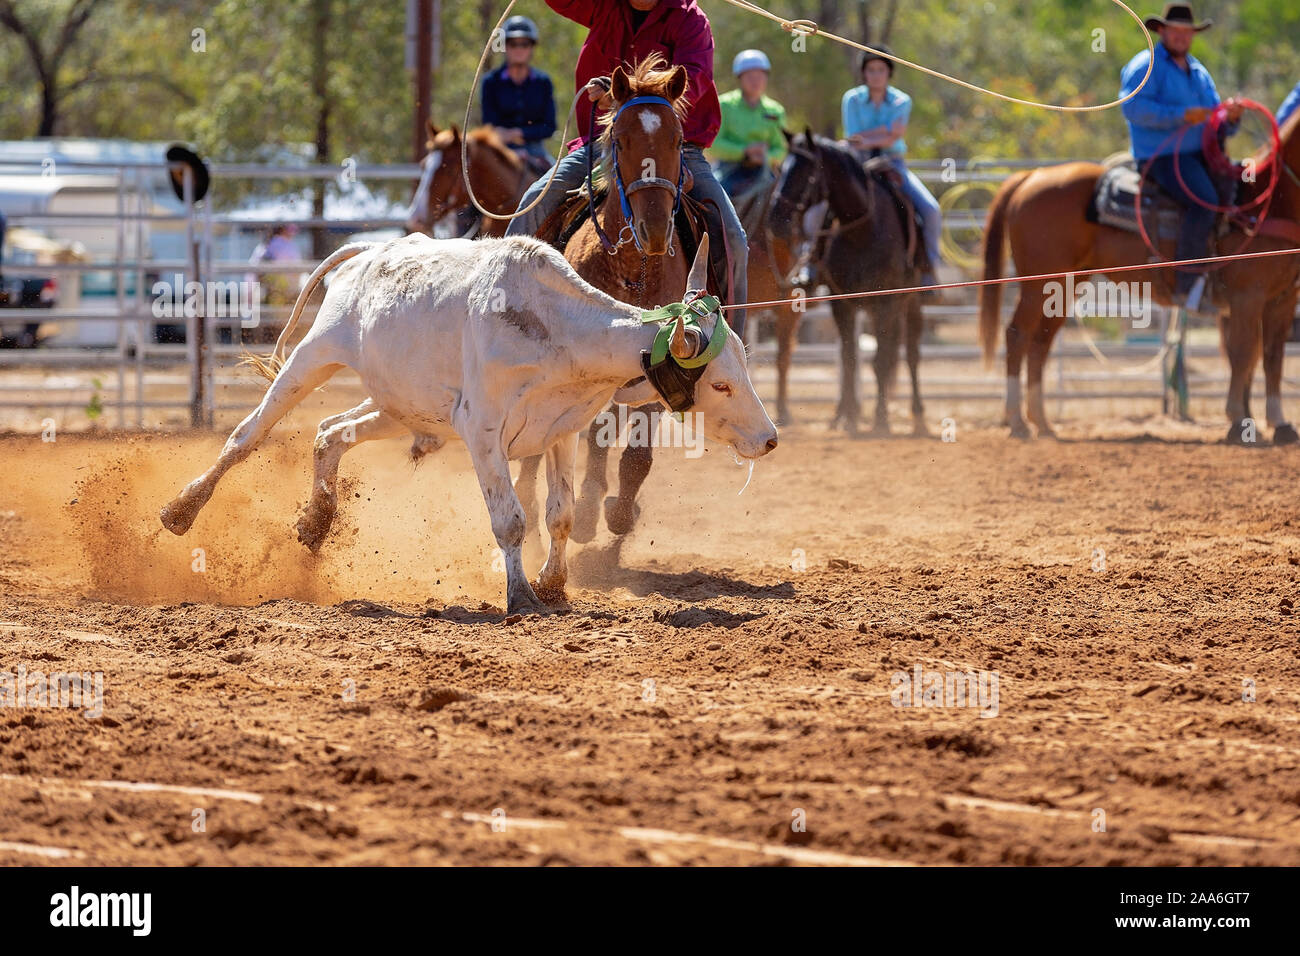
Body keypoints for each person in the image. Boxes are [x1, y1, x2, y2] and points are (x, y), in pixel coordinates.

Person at [506, 0, 751, 336]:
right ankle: (506, 318)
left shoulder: (689, 19)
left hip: (674, 147)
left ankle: (729, 342)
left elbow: (694, 78)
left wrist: (626, 91)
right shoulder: (603, 7)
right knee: (533, 204)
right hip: (606, 144)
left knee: (734, 240)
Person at [1120, 4, 1241, 316]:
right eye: (1175, 30)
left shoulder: (1198, 72)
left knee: (1238, 194)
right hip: (1160, 156)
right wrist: (1181, 116)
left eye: (1186, 32)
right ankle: (1188, 284)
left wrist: (1230, 118)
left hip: (1198, 155)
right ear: (1161, 31)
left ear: (1192, 35)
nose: (1181, 37)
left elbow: (1216, 117)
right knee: (1204, 201)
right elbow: (1132, 108)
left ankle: (1220, 276)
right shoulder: (1146, 66)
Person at [841, 45, 942, 286]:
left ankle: (929, 271)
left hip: (892, 164)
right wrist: (885, 131)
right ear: (864, 73)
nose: (876, 75)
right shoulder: (851, 99)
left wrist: (873, 137)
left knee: (931, 210)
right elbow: (855, 138)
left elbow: (890, 139)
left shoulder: (901, 100)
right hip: (859, 164)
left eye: (881, 69)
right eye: (871, 69)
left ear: (889, 73)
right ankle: (811, 266)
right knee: (821, 207)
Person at [481, 15, 558, 173]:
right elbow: (489, 123)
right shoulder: (490, 82)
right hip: (499, 151)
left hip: (537, 152)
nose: (519, 49)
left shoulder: (543, 82)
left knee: (561, 181)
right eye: (513, 44)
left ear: (531, 47)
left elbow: (549, 126)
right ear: (504, 46)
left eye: (525, 44)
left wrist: (516, 133)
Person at [711, 49, 787, 204]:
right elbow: (713, 144)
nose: (756, 81)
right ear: (740, 78)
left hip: (765, 171)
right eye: (750, 76)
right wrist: (745, 152)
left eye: (760, 76)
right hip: (728, 171)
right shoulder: (724, 105)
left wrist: (766, 157)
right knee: (714, 200)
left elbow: (781, 148)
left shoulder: (775, 110)